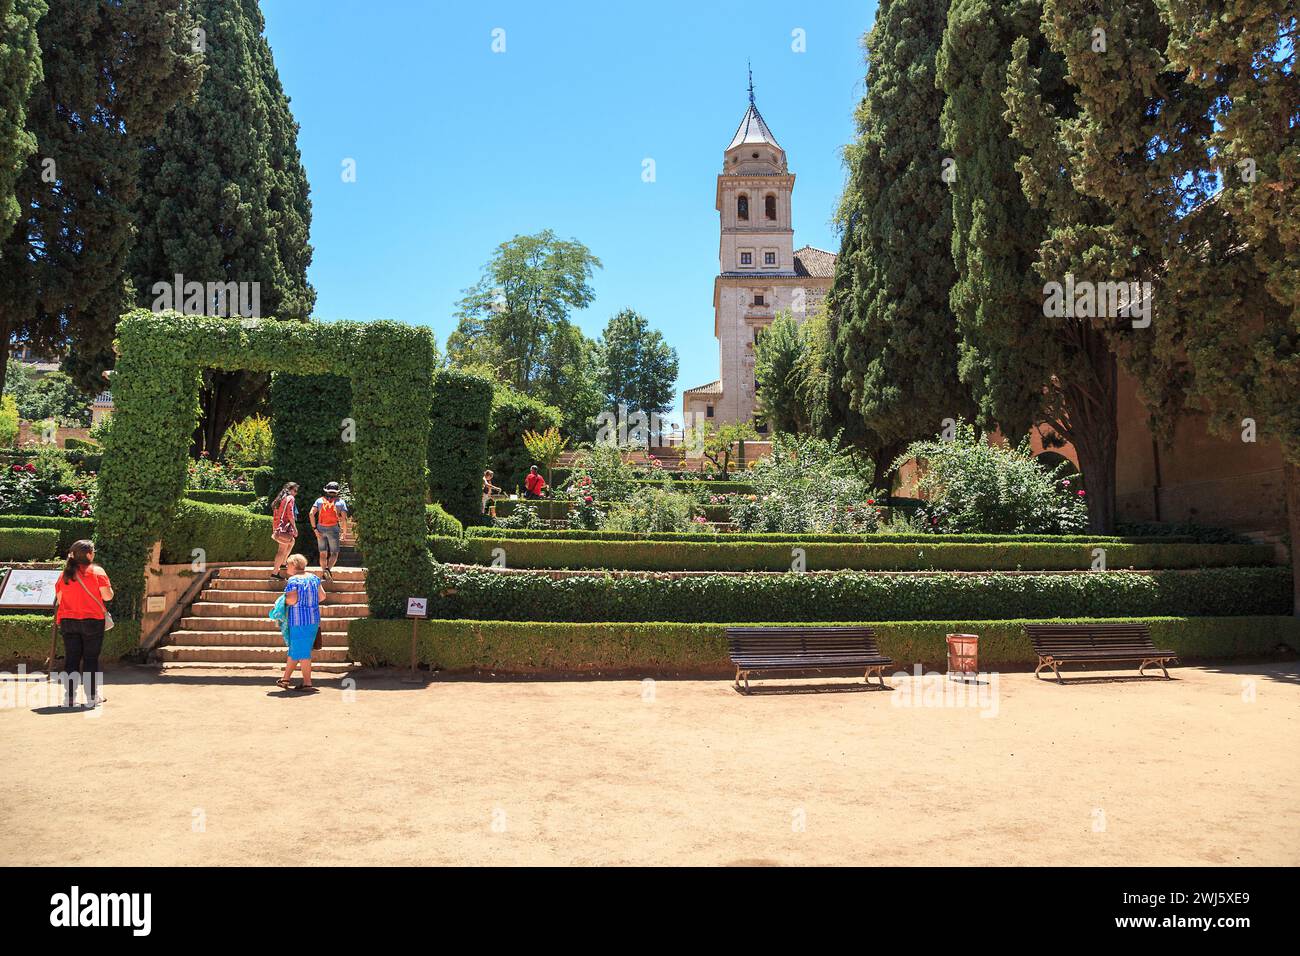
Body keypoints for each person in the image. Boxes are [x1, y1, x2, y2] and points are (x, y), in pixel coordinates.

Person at [53, 539, 114, 708]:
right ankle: (92, 697)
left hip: (68, 621)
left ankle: (69, 698)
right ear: (88, 554)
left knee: (71, 659)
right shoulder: (98, 572)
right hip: (92, 621)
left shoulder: (64, 575)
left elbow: (60, 599)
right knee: (90, 659)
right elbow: (108, 596)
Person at [277, 554, 327, 692]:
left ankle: (307, 683)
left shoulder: (293, 580)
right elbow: (322, 596)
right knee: (297, 649)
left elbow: (292, 600)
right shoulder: (314, 578)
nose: (286, 566)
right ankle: (285, 679)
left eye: (288, 564)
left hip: (298, 620)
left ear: (294, 565)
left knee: (302, 651)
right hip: (313, 619)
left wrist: (282, 602)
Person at [310, 481, 349, 581]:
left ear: (327, 490)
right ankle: (327, 570)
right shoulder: (341, 502)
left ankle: (324, 572)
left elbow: (311, 514)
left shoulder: (319, 500)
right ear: (337, 491)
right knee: (334, 553)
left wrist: (315, 529)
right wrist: (344, 533)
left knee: (322, 553)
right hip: (334, 529)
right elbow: (344, 519)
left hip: (320, 528)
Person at [269, 482, 299, 582]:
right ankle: (274, 573)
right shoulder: (290, 498)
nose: (295, 493)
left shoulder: (280, 498)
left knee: (291, 542)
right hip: (284, 528)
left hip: (278, 527)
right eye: (295, 490)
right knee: (282, 550)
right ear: (290, 490)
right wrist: (295, 528)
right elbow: (290, 514)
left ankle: (282, 564)